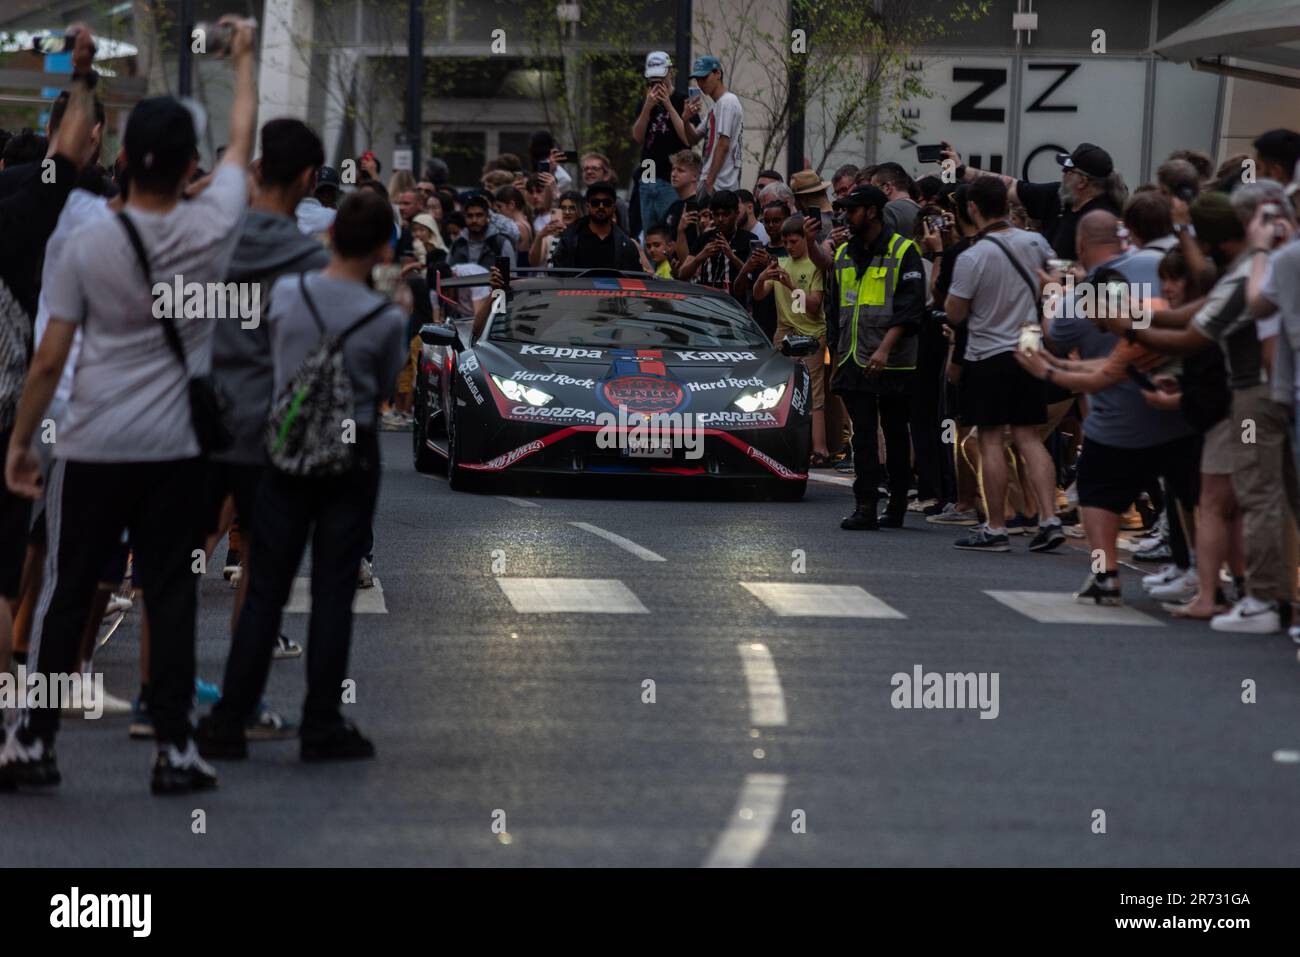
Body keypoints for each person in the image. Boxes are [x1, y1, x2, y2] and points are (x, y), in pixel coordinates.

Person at [2, 16, 257, 794]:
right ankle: (174, 747)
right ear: (188, 167)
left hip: (91, 441)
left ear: (120, 158)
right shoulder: (212, 228)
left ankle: (34, 738)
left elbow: (50, 356)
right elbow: (242, 145)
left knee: (65, 591)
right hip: (175, 449)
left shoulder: (82, 235)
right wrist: (245, 58)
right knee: (170, 594)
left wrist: (23, 442)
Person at [197, 189, 406, 763]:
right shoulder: (387, 318)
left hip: (284, 452)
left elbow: (269, 354)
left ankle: (229, 719)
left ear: (330, 237)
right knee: (334, 592)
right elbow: (386, 388)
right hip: (350, 456)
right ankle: (321, 723)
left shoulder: (289, 293)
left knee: (265, 586)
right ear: (385, 249)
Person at [209, 117, 329, 677]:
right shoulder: (310, 262)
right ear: (309, 179)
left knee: (179, 557)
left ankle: (159, 700)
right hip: (269, 427)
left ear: (258, 169)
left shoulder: (210, 242)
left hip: (199, 418)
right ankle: (242, 691)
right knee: (261, 562)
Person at [942, 176, 1065, 554]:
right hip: (1028, 348)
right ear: (1008, 205)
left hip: (987, 354)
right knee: (1029, 437)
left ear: (972, 208)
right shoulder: (1034, 242)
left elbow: (955, 313)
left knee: (991, 439)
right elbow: (1060, 277)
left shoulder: (972, 256)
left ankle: (996, 526)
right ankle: (1050, 519)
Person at [825, 186, 924, 530]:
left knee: (895, 432)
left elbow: (911, 308)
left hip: (893, 360)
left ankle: (896, 504)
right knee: (863, 435)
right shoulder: (843, 255)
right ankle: (865, 506)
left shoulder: (904, 251)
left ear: (872, 211)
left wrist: (884, 349)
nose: (845, 217)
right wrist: (838, 356)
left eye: (852, 211)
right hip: (854, 358)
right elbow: (834, 310)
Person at [948, 141, 1124, 260]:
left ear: (1082, 181)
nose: (1062, 174)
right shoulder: (1057, 196)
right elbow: (1010, 186)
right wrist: (962, 170)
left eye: (1067, 171)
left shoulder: (1106, 219)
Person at [755, 215, 829, 463]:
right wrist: (762, 277)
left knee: (814, 394)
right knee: (778, 390)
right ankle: (778, 444)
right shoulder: (782, 263)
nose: (788, 246)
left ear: (806, 239)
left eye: (794, 241)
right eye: (785, 242)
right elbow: (758, 295)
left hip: (811, 335)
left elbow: (814, 306)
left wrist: (789, 284)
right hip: (784, 334)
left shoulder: (814, 266)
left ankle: (820, 449)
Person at [632, 51, 693, 233]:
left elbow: (687, 138)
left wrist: (668, 104)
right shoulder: (646, 102)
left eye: (661, 79)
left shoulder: (682, 100)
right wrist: (647, 107)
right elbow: (638, 137)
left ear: (670, 73)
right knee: (650, 232)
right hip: (648, 170)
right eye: (653, 81)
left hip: (672, 174)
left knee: (669, 230)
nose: (657, 85)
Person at [667, 55, 743, 196]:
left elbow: (723, 144)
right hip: (713, 181)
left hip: (720, 183)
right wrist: (685, 119)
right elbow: (693, 139)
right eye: (698, 79)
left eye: (704, 78)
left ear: (718, 73)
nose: (701, 83)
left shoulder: (727, 102)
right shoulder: (716, 107)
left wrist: (709, 181)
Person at [676, 189, 755, 298]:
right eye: (716, 214)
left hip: (735, 304)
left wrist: (731, 256)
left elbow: (752, 279)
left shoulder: (749, 239)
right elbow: (682, 275)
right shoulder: (704, 238)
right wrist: (700, 257)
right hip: (708, 303)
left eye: (726, 214)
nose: (720, 219)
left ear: (736, 214)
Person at [551, 181, 642, 271]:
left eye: (606, 203)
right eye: (595, 202)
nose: (601, 206)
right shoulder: (569, 238)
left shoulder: (625, 244)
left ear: (614, 207)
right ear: (588, 206)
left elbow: (634, 275)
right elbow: (558, 273)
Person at [447, 194, 514, 270]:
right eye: (470, 216)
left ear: (488, 217)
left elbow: (509, 274)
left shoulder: (500, 244)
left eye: (479, 215)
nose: (474, 220)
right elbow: (448, 272)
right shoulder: (457, 244)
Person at [578, 152, 629, 233]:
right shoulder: (579, 202)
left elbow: (627, 233)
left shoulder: (620, 205)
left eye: (595, 168)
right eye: (586, 169)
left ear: (607, 175)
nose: (589, 172)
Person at [871, 161, 921, 238]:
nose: (872, 193)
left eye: (874, 188)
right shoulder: (920, 209)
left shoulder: (886, 210)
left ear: (887, 188)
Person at [296, 165, 339, 238]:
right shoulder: (335, 216)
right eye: (321, 191)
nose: (326, 195)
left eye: (330, 191)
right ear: (312, 189)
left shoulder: (291, 209)